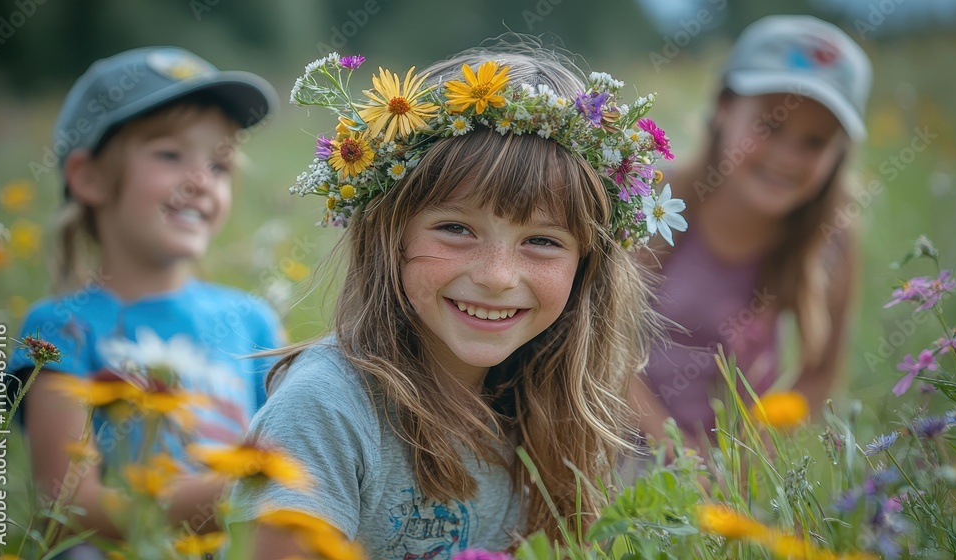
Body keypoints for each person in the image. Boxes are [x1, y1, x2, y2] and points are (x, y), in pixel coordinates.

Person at [227, 45, 677, 559]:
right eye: (456, 229)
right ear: (388, 233)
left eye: (543, 241)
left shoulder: (545, 415)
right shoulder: (328, 410)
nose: (496, 277)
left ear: (587, 266)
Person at [7, 46, 285, 555]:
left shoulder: (253, 322)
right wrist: (238, 491)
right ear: (89, 177)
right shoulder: (60, 327)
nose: (202, 181)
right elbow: (67, 509)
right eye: (170, 155)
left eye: (220, 165)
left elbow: (284, 450)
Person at [631, 15, 873, 448]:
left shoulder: (832, 239)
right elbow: (596, 342)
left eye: (815, 142)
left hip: (726, 479)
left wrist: (747, 460)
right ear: (723, 108)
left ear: (839, 154)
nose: (787, 157)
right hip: (610, 449)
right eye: (770, 125)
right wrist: (682, 461)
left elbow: (819, 376)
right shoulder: (653, 198)